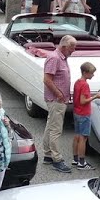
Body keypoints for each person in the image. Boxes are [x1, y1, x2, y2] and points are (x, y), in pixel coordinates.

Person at [41, 35, 76, 173]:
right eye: (72, 47)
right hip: (56, 100)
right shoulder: (55, 58)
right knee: (56, 129)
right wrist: (59, 94)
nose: (74, 50)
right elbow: (47, 79)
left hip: (58, 99)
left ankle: (48, 154)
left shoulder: (62, 57)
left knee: (50, 126)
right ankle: (57, 159)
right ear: (64, 46)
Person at [71, 62, 100, 170]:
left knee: (77, 136)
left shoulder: (77, 82)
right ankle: (82, 162)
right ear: (85, 73)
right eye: (91, 73)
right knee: (83, 138)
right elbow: (83, 101)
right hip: (84, 113)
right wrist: (96, 97)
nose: (93, 75)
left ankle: (75, 159)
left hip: (76, 112)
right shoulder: (85, 84)